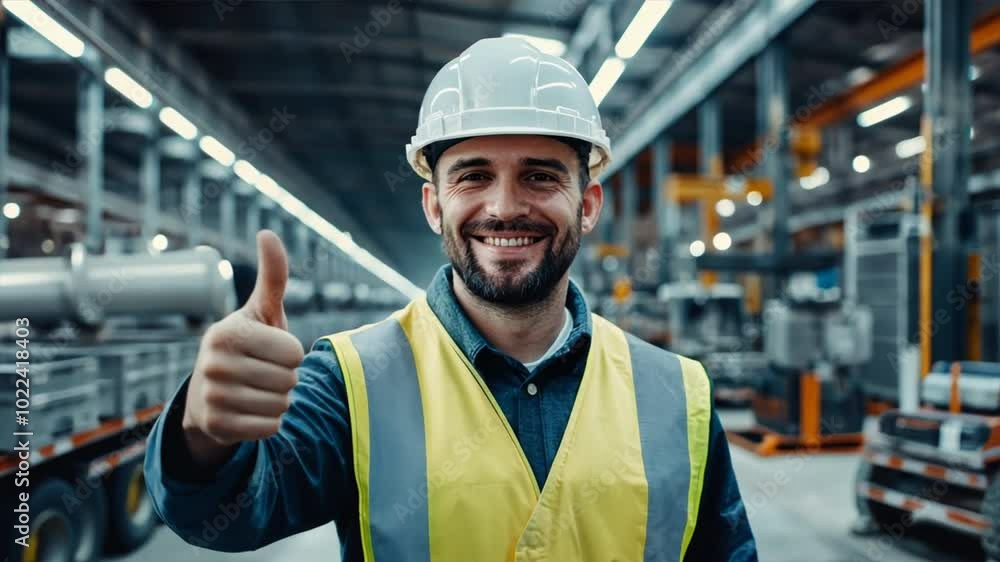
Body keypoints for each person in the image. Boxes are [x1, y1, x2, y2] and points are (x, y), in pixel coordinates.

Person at [145, 36, 757, 561]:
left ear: (587, 205)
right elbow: (226, 512)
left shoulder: (681, 395)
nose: (505, 206)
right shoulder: (353, 381)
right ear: (434, 205)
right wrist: (204, 434)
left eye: (541, 175)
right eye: (473, 175)